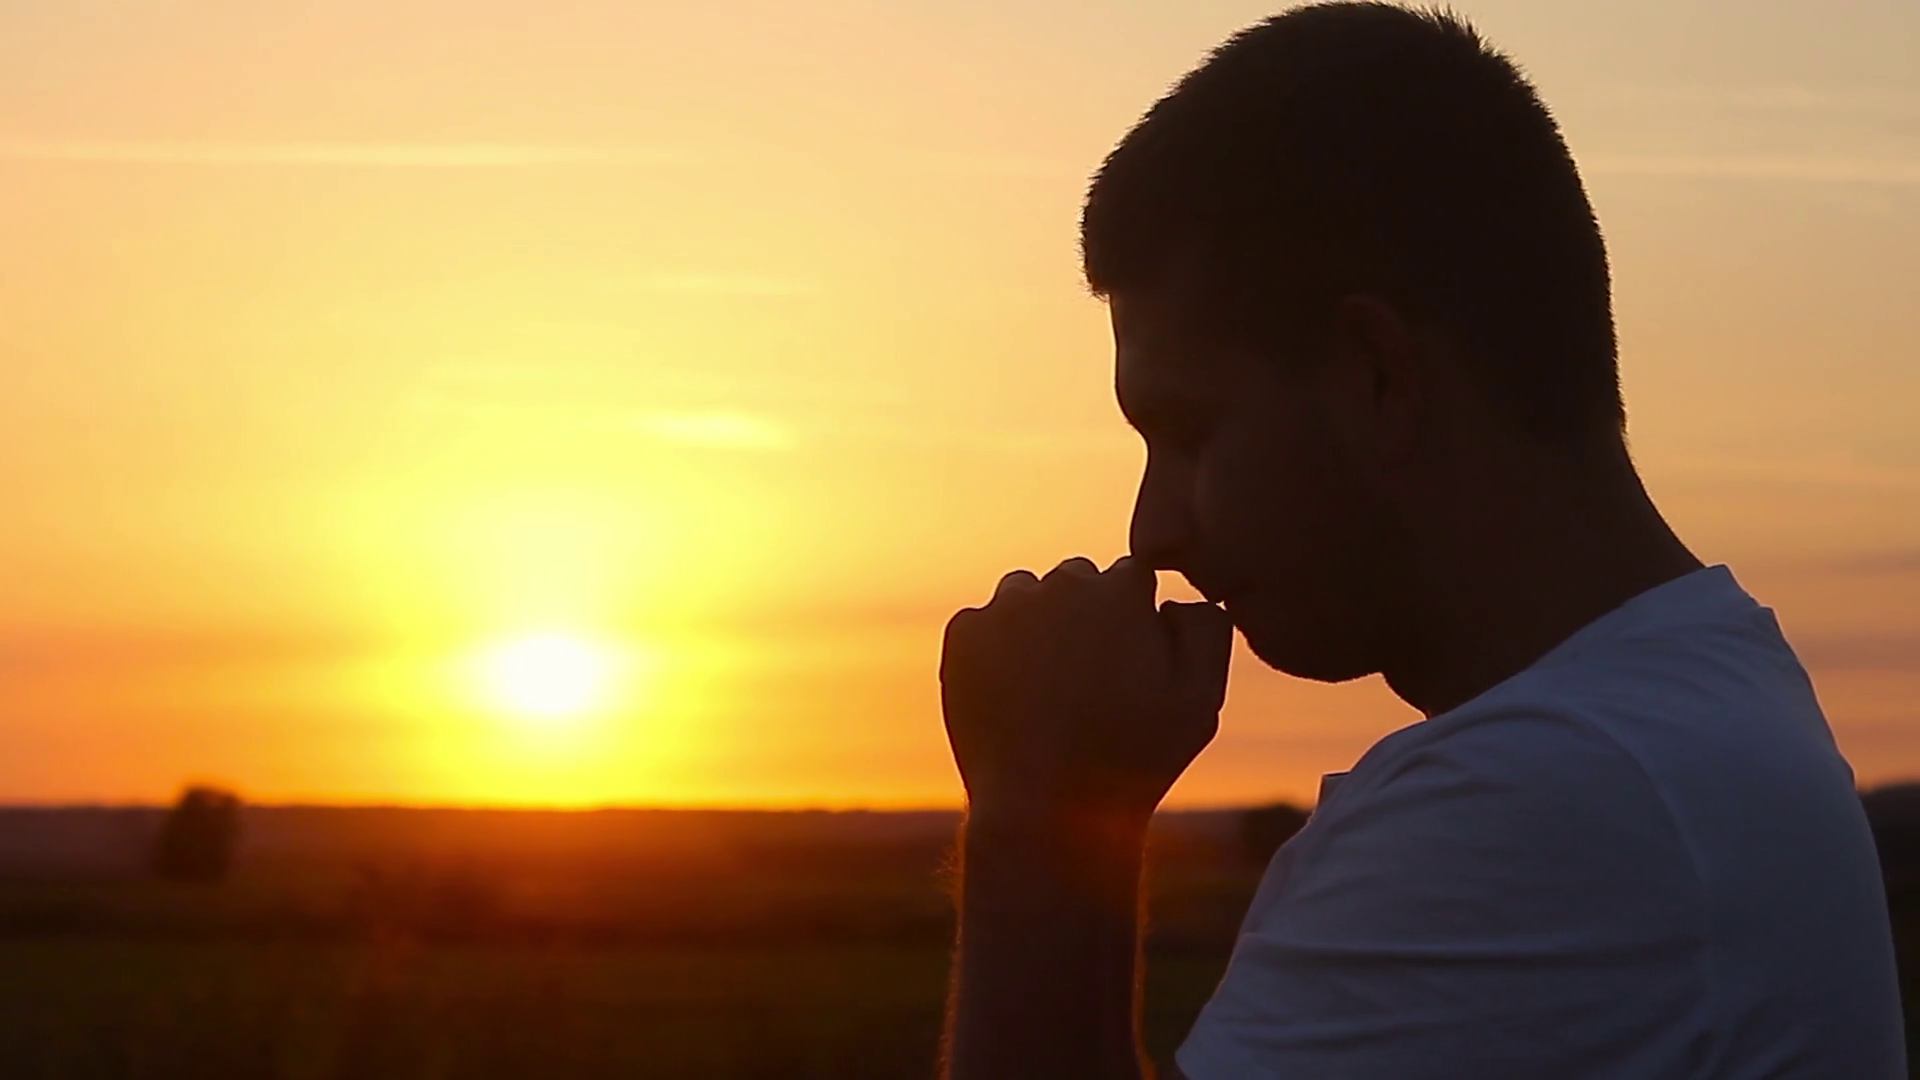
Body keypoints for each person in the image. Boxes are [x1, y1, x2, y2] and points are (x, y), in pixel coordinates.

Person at [935, 4, 1907, 1078]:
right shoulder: (1688, 719)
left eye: (1188, 431)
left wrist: (1044, 815)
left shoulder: (1545, 800)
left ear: (1376, 376)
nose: (1152, 530)